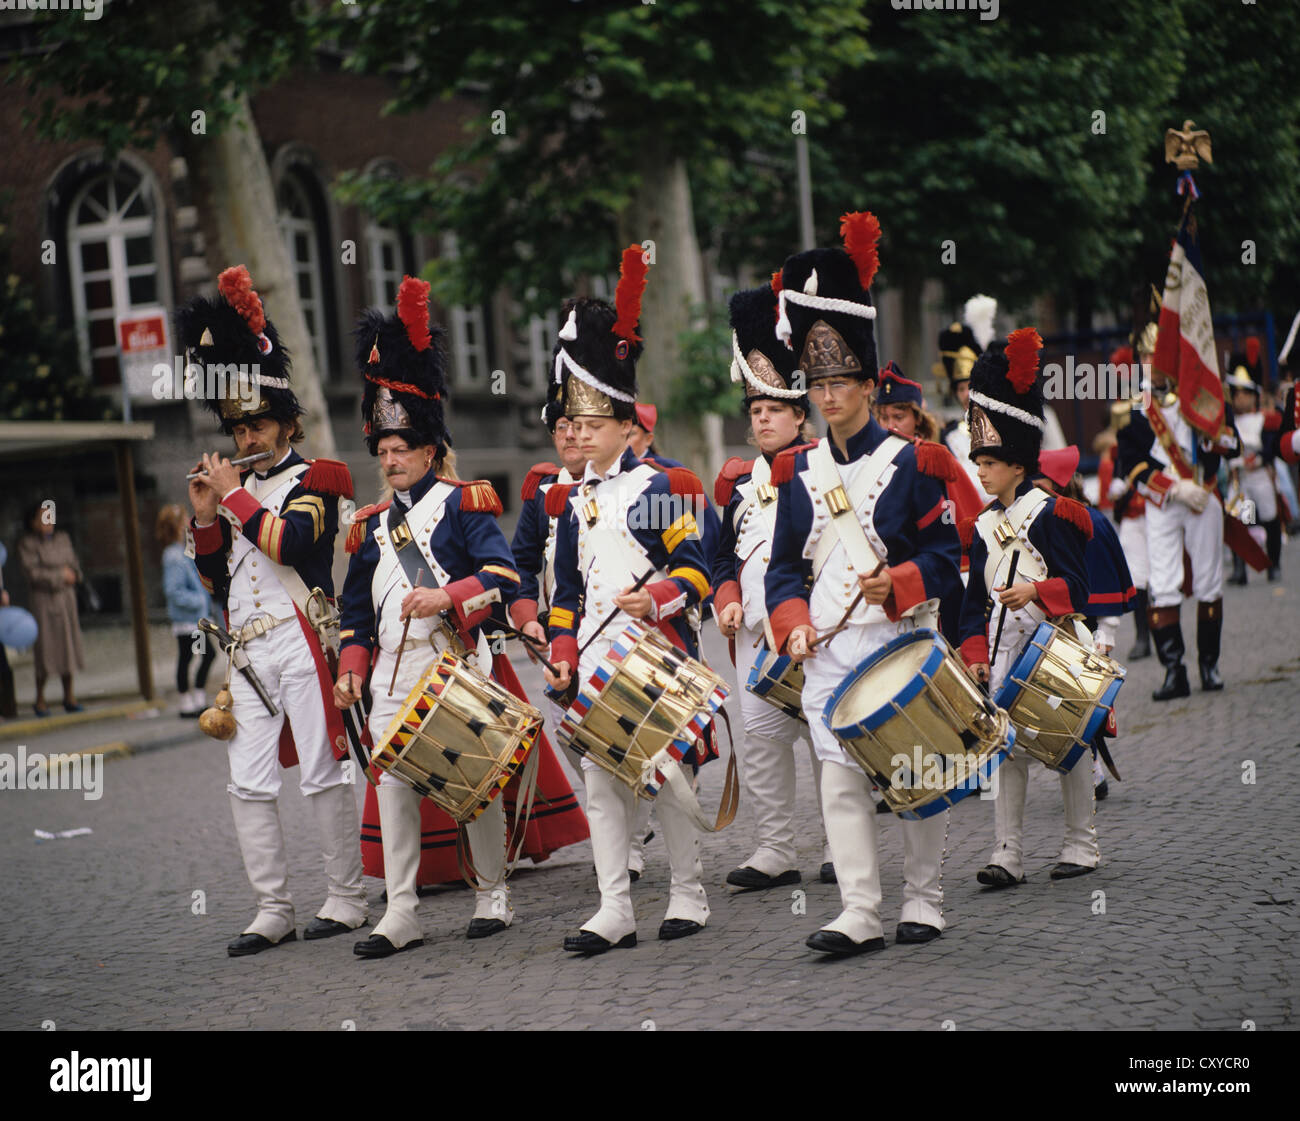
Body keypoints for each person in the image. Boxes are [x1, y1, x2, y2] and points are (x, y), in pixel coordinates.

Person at [336, 276, 587, 958]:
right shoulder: (366, 528)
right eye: (382, 452)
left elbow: (504, 575)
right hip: (389, 680)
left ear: (427, 450)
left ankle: (493, 892)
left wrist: (445, 597)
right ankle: (402, 907)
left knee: (469, 781)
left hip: (451, 663)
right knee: (391, 788)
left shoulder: (463, 502)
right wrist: (350, 671)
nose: (389, 462)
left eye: (401, 451)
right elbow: (355, 617)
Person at [765, 213, 963, 956]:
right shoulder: (797, 469)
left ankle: (924, 897)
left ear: (870, 383)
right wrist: (790, 621)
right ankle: (859, 909)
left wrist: (902, 582)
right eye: (818, 382)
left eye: (841, 380)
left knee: (914, 772)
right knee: (840, 781)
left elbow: (948, 555)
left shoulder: (915, 463)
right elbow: (786, 565)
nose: (829, 393)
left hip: (897, 640)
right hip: (828, 647)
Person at [183, 264, 368, 956]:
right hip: (248, 651)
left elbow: (290, 543)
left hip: (302, 636)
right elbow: (215, 581)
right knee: (247, 781)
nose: (246, 437)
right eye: (238, 427)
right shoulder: (235, 489)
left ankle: (346, 898)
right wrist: (206, 519)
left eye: (257, 423)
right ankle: (272, 907)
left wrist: (232, 499)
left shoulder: (320, 477)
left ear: (287, 420)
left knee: (322, 769)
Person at [542, 246, 716, 955]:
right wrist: (559, 656)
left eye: (589, 424)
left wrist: (660, 597)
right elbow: (565, 594)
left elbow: (698, 569)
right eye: (570, 425)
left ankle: (688, 891)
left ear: (623, 424)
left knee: (667, 774)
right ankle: (614, 904)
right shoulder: (568, 501)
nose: (576, 434)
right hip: (591, 660)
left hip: (656, 653)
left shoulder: (663, 487)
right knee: (601, 781)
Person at [955, 329, 1097, 887]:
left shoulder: (1056, 514)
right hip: (1002, 651)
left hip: (1055, 646)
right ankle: (1007, 853)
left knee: (1069, 744)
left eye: (990, 460)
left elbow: (1079, 591)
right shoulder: (982, 527)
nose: (981, 471)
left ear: (1018, 463)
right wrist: (973, 655)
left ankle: (1081, 843)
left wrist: (1036, 592)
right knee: (1007, 754)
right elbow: (971, 605)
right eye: (978, 460)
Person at [712, 281, 830, 888]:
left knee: (826, 742)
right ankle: (774, 849)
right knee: (761, 742)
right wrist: (728, 601)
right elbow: (721, 559)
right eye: (754, 412)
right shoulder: (734, 482)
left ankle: (841, 847)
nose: (761, 420)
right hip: (755, 635)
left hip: (816, 630)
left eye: (773, 411)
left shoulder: (823, 469)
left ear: (798, 416)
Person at [1115, 346, 1241, 699]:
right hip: (1164, 501)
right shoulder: (1133, 404)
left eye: (1156, 356)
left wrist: (1210, 434)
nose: (1149, 365)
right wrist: (1173, 488)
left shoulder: (1203, 394)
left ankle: (1209, 666)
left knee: (1209, 580)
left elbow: (1233, 444)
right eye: (1144, 357)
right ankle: (1175, 672)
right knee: (1163, 581)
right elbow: (1132, 465)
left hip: (1204, 494)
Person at [1035, 446, 1135, 801]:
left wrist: (1105, 635)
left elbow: (1106, 583)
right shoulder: (1038, 517)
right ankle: (1086, 774)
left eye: (1037, 480)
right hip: (1049, 626)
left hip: (1087, 629)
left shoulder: (1087, 521)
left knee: (1080, 704)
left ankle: (1091, 776)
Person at [510, 407, 589, 788]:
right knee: (569, 730)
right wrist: (527, 619)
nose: (571, 435)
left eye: (579, 426)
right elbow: (521, 565)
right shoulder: (541, 491)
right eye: (561, 427)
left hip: (620, 624)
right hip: (561, 628)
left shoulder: (636, 485)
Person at [1096, 340, 1151, 660]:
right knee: (1138, 572)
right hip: (1132, 505)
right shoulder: (1126, 403)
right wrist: (1120, 479)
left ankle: (1164, 637)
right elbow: (1123, 449)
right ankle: (1144, 637)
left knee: (1165, 577)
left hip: (1161, 497)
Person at [18, 501, 86, 715]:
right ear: (33, 522)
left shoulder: (63, 539)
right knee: (45, 649)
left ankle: (69, 695)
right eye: (42, 517)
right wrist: (59, 575)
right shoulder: (27, 544)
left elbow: (74, 563)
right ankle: (40, 698)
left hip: (66, 600)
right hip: (44, 602)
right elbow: (33, 573)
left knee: (68, 646)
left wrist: (72, 575)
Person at [1224, 346, 1284, 583]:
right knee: (1240, 522)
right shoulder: (1230, 421)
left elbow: (1271, 447)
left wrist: (1259, 459)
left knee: (1270, 518)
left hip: (1259, 476)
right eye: (1236, 394)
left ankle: (1275, 564)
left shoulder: (1264, 419)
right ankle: (1240, 569)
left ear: (1254, 395)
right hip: (1240, 479)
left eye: (1245, 393)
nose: (1240, 398)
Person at [156, 503, 217, 718]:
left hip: (195, 618)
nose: (187, 521)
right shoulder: (173, 556)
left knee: (201, 655)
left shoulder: (181, 551)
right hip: (188, 620)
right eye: (183, 519)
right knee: (193, 656)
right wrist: (198, 600)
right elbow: (174, 591)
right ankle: (187, 701)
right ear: (176, 525)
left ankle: (196, 698)